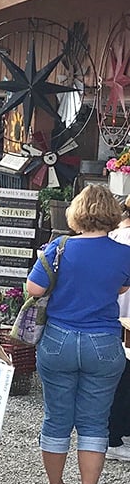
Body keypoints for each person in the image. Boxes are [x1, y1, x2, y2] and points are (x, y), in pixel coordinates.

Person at [25, 184, 130, 484]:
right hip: (103, 342)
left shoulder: (59, 248)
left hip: (59, 339)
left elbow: (34, 288)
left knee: (56, 417)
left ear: (77, 213)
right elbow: (123, 285)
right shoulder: (124, 253)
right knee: (94, 420)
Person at [106, 196, 130, 461]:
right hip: (125, 317)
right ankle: (115, 436)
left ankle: (117, 434)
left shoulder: (112, 237)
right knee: (124, 381)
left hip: (111, 315)